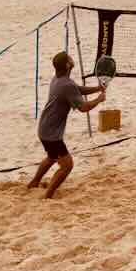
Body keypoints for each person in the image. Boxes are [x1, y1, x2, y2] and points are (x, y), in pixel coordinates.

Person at [28, 50, 107, 198]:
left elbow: (77, 90)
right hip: (52, 134)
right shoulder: (66, 84)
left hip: (44, 129)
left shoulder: (59, 79)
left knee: (52, 158)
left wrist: (97, 89)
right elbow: (83, 108)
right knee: (67, 165)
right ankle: (48, 196)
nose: (72, 59)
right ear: (67, 64)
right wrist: (99, 99)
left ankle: (34, 183)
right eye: (69, 58)